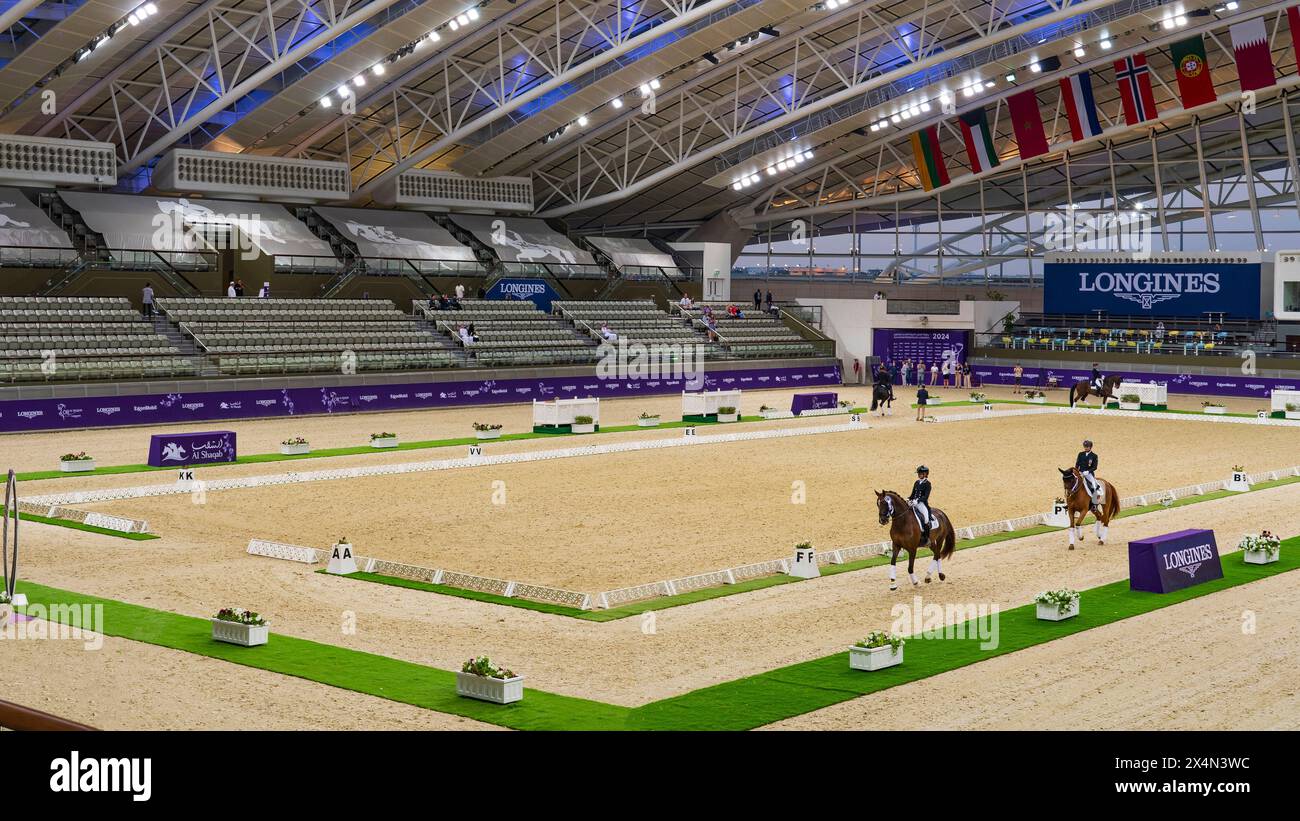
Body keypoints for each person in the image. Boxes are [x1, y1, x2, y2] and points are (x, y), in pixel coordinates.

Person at [909, 465, 934, 546]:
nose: (919, 474)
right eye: (919, 473)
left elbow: (926, 497)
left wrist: (918, 501)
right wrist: (909, 499)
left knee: (926, 519)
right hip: (914, 503)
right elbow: (913, 494)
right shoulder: (916, 483)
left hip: (922, 504)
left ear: (925, 474)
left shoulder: (927, 484)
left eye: (921, 473)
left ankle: (927, 539)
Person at [1075, 439, 1102, 514]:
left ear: (1090, 447)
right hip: (1080, 473)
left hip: (1088, 474)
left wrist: (1088, 471)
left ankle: (1095, 504)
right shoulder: (1080, 454)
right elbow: (1077, 464)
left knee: (1093, 486)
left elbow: (1095, 467)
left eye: (1087, 447)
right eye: (1085, 446)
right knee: (1073, 484)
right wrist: (1077, 471)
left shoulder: (1094, 456)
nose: (1086, 448)